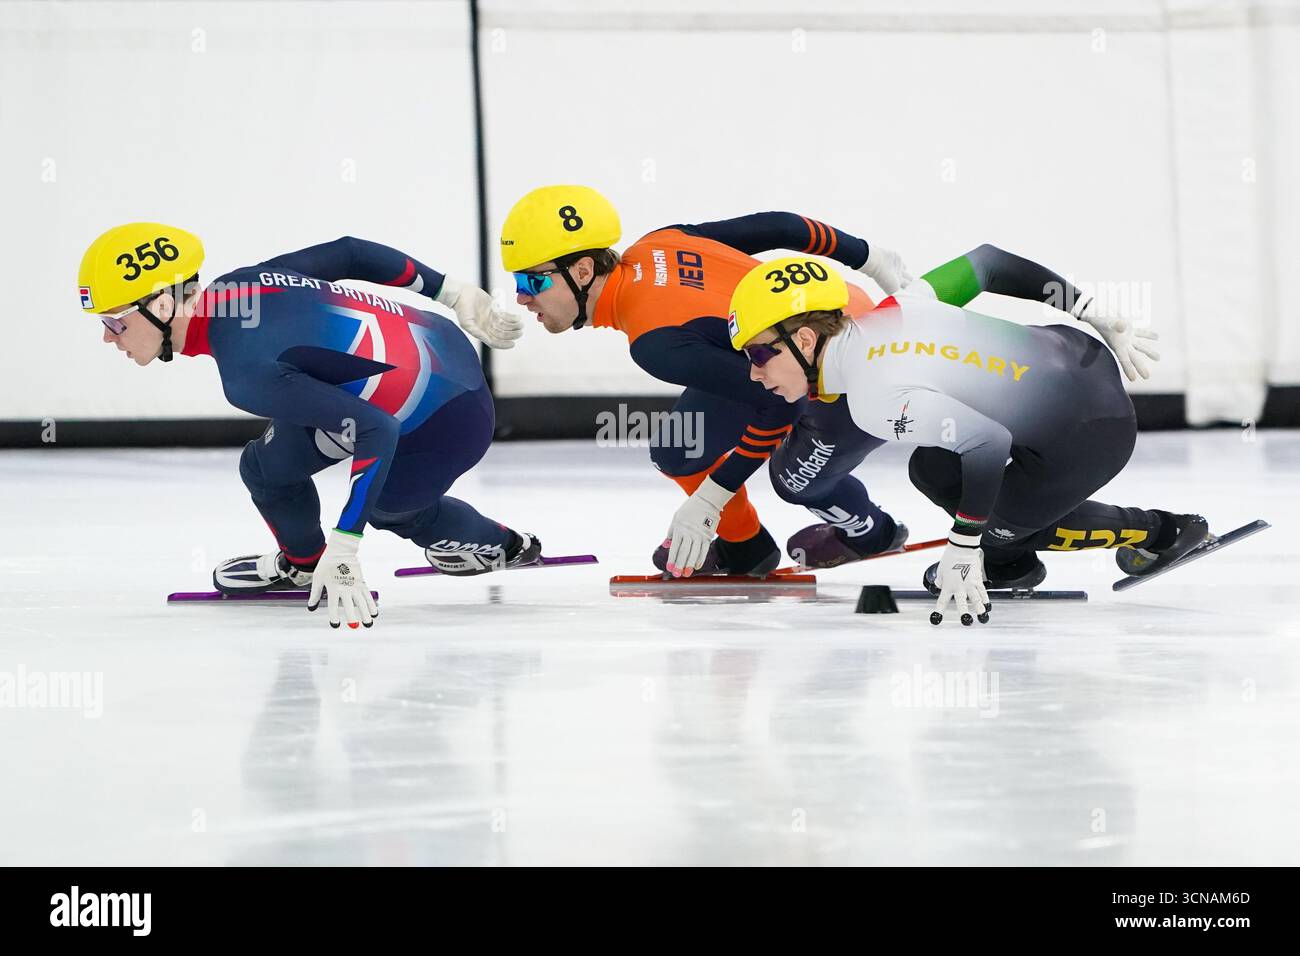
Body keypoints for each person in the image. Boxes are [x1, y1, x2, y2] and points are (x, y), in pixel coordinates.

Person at [78, 223, 529, 629]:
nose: (106, 337)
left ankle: (504, 544)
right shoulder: (241, 283)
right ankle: (305, 565)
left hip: (451, 414)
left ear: (160, 303)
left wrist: (347, 546)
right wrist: (451, 293)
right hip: (433, 343)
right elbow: (351, 252)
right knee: (265, 468)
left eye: (113, 321)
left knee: (389, 507)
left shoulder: (246, 374)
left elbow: (377, 431)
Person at [723, 254, 1204, 624]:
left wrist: (965, 544)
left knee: (991, 525)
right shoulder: (898, 305)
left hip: (1090, 433)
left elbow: (987, 444)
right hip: (1079, 355)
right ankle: (1010, 562)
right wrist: (1087, 310)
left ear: (805, 341)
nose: (753, 372)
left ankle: (1162, 531)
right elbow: (989, 261)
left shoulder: (873, 399)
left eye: (759, 353)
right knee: (929, 469)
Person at [500, 185, 913, 578]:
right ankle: (746, 546)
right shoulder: (655, 244)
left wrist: (710, 501)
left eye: (531, 281)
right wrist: (869, 258)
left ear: (584, 270)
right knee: (678, 448)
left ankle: (872, 532)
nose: (521, 297)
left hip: (849, 372)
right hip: (832, 318)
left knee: (794, 480)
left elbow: (783, 405)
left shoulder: (655, 343)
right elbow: (783, 226)